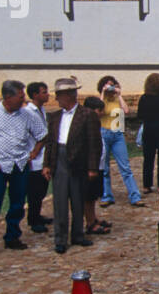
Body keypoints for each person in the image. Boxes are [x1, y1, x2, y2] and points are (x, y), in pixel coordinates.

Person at [42, 77, 102, 254]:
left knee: (78, 199)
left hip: (78, 161)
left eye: (59, 95)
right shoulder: (54, 116)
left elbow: (94, 143)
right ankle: (60, 238)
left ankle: (78, 234)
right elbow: (50, 143)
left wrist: (93, 167)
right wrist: (47, 164)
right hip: (59, 159)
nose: (57, 99)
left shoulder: (87, 115)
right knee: (59, 202)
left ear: (69, 95)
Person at [0, 79, 46, 253]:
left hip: (20, 165)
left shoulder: (27, 115)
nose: (23, 100)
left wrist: (34, 153)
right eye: (20, 96)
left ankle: (12, 235)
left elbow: (42, 135)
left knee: (18, 203)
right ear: (7, 96)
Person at [96, 75, 143, 208]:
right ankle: (106, 196)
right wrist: (103, 93)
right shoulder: (101, 99)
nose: (110, 87)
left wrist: (119, 95)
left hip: (117, 134)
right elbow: (98, 112)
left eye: (112, 85)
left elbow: (126, 111)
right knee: (104, 168)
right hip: (104, 133)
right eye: (108, 85)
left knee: (125, 167)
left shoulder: (117, 99)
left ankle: (135, 196)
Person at [82, 97, 113, 234]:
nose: (102, 113)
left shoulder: (96, 125)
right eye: (100, 110)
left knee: (93, 196)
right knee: (88, 196)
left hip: (99, 165)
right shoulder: (86, 126)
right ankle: (89, 222)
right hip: (91, 167)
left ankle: (93, 218)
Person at [25, 81, 52, 233]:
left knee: (42, 190)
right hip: (34, 157)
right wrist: (34, 152)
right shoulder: (29, 112)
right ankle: (33, 219)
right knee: (35, 191)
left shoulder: (41, 109)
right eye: (44, 92)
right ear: (35, 94)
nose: (47, 94)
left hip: (42, 157)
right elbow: (41, 135)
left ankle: (37, 215)